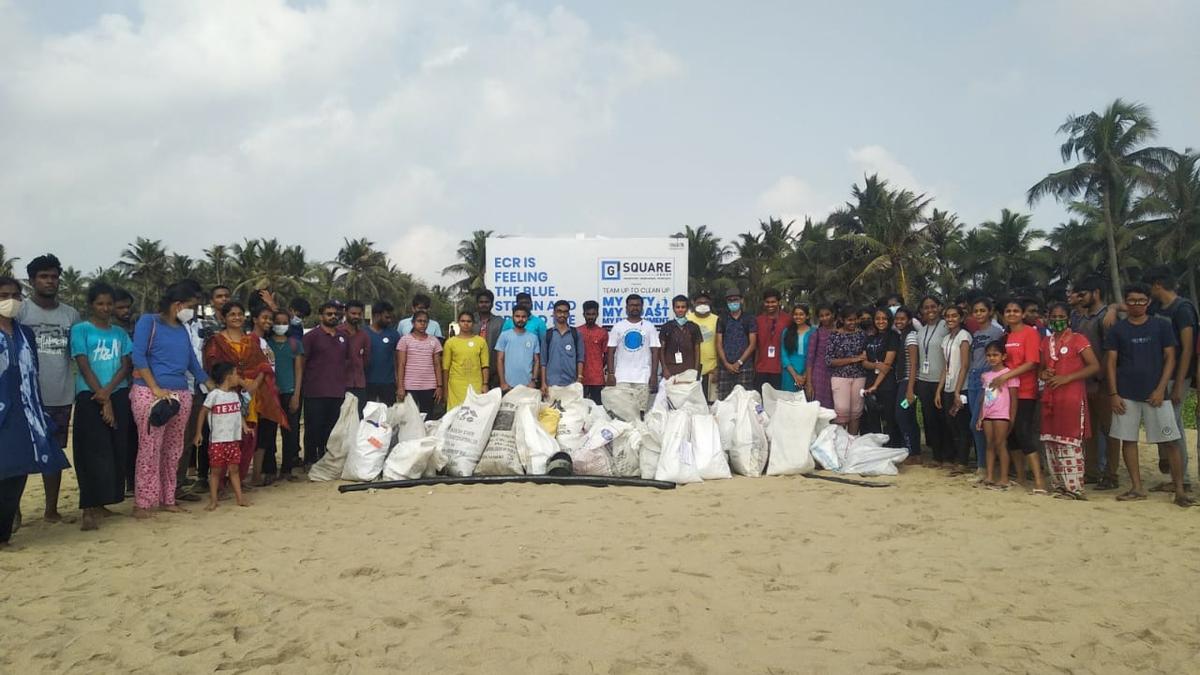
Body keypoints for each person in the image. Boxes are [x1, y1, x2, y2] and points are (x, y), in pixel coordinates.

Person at [130, 282, 215, 519]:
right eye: (191, 306)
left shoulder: (182, 329)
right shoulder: (149, 322)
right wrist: (155, 388)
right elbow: (138, 355)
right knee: (150, 448)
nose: (193, 310)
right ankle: (144, 502)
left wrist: (212, 386)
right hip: (150, 393)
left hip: (180, 393)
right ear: (178, 304)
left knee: (174, 449)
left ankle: (168, 498)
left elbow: (192, 363)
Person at [1104, 284, 1191, 506]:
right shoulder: (1117, 330)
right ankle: (1137, 487)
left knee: (1171, 441)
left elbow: (1170, 357)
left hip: (1156, 394)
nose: (1136, 305)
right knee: (1128, 440)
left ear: (1148, 302)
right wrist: (1113, 393)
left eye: (1141, 301)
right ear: (1126, 302)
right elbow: (1111, 362)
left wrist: (1162, 388)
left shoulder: (1161, 326)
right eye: (1131, 301)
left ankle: (1179, 489)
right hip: (1125, 394)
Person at [0, 276, 71, 546]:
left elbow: (33, 373)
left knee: (18, 472)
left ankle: (4, 534)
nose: (11, 301)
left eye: (16, 295)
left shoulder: (24, 333)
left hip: (25, 412)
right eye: (4, 295)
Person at [15, 254, 78, 523]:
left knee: (54, 453)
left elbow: (76, 356)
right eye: (43, 276)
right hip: (24, 397)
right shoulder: (20, 311)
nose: (49, 281)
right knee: (17, 454)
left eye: (54, 276)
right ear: (31, 281)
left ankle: (51, 510)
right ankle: (12, 512)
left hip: (60, 395)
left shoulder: (70, 314)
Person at [70, 283, 134, 531]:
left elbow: (126, 365)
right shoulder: (81, 330)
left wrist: (108, 393)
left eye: (109, 304)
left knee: (114, 450)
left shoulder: (119, 333)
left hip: (117, 394)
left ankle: (102, 501)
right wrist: (101, 396)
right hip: (89, 395)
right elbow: (83, 364)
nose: (105, 308)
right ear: (91, 305)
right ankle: (88, 507)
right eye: (100, 303)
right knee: (90, 451)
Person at [203, 302, 288, 487]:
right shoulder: (217, 341)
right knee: (225, 438)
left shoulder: (251, 341)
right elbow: (213, 367)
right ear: (224, 318)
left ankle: (238, 480)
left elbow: (263, 366)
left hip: (250, 398)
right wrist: (239, 382)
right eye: (232, 314)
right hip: (225, 397)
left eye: (240, 314)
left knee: (247, 438)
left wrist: (254, 385)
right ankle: (221, 483)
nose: (237, 317)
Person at [1039, 302, 1100, 500]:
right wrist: (1045, 373)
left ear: (1068, 318)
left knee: (1070, 442)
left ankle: (1074, 488)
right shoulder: (1045, 342)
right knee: (1051, 442)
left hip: (1071, 397)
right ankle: (1059, 485)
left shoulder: (1078, 339)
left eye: (1061, 317)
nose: (1057, 320)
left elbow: (1093, 366)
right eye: (1054, 317)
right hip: (1051, 397)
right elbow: (1040, 370)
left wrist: (1068, 378)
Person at [1147, 266, 1197, 492]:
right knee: (1164, 424)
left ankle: (1183, 478)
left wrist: (1178, 383)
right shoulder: (1158, 306)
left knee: (1173, 425)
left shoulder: (1182, 309)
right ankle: (1177, 474)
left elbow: (1187, 349)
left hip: (1178, 375)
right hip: (1160, 374)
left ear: (1157, 284)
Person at [990, 298, 1047, 493]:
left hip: (1025, 390)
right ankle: (1021, 478)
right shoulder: (1005, 336)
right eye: (1008, 311)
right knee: (1012, 434)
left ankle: (1039, 481)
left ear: (1023, 314)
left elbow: (1032, 362)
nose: (1012, 314)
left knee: (1024, 433)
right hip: (1006, 391)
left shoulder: (1030, 334)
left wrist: (1006, 376)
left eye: (1016, 311)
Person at [1071, 277, 1116, 489]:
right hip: (1084, 381)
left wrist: (1101, 378)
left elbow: (1110, 351)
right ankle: (1091, 471)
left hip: (1103, 382)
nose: (1079, 298)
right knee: (1089, 430)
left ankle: (1111, 475)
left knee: (1110, 430)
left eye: (1082, 294)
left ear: (1095, 292)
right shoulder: (1081, 318)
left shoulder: (1106, 317)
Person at [194, 362, 251, 511]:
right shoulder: (214, 395)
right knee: (216, 471)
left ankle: (239, 498)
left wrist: (244, 427)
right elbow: (203, 412)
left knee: (234, 469)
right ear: (228, 377)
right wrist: (199, 432)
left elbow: (238, 414)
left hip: (233, 439)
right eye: (235, 374)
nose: (238, 377)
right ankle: (213, 500)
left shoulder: (234, 396)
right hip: (218, 440)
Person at [301, 302, 349, 466]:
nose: (333, 316)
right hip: (315, 391)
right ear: (321, 316)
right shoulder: (311, 337)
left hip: (336, 391)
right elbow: (302, 363)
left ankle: (326, 459)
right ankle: (309, 460)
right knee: (313, 428)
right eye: (329, 314)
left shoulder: (343, 337)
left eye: (335, 314)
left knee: (332, 429)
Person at [259, 310, 304, 481]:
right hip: (270, 394)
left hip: (289, 392)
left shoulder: (295, 344)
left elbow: (299, 370)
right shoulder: (266, 344)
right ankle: (269, 470)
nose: (281, 325)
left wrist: (297, 395)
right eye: (277, 322)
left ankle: (287, 469)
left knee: (290, 433)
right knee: (269, 433)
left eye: (285, 322)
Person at [967, 298, 1004, 476]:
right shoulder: (974, 334)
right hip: (973, 377)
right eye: (976, 311)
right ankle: (983, 465)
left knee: (977, 423)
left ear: (990, 311)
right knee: (978, 424)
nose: (979, 314)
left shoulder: (997, 332)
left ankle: (984, 466)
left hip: (988, 380)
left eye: (982, 310)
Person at [934, 305, 973, 475]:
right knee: (951, 424)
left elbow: (964, 365)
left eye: (954, 316)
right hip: (948, 386)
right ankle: (958, 457)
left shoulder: (964, 337)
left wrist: (958, 391)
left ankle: (963, 462)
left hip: (961, 387)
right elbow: (946, 366)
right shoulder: (946, 339)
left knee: (962, 424)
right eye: (948, 316)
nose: (950, 319)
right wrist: (939, 390)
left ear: (961, 318)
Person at [606, 294, 661, 413]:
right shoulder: (618, 327)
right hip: (622, 377)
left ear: (642, 307)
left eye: (637, 305)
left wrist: (654, 375)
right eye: (631, 305)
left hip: (643, 377)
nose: (634, 308)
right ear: (626, 307)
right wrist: (611, 374)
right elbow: (610, 351)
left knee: (640, 412)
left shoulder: (649, 326)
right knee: (622, 411)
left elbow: (655, 351)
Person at [977, 341, 1019, 489]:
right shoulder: (986, 376)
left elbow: (1014, 398)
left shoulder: (1009, 374)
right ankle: (989, 475)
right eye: (989, 355)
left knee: (1001, 444)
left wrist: (1012, 417)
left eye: (995, 355)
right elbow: (984, 396)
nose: (992, 358)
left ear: (1003, 356)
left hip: (1002, 414)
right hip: (988, 413)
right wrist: (980, 416)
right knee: (989, 444)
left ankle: (1004, 477)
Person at [914, 296, 949, 466]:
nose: (930, 310)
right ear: (921, 311)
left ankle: (949, 455)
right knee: (930, 419)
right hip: (924, 380)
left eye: (933, 306)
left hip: (941, 380)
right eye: (926, 307)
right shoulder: (921, 331)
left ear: (940, 307)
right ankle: (936, 456)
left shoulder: (946, 326)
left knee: (944, 418)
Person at [113, 286, 139, 495]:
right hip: (116, 388)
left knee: (134, 438)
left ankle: (132, 481)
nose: (125, 311)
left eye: (127, 307)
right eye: (121, 307)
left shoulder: (137, 327)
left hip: (136, 389)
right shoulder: (111, 330)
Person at [827, 305, 867, 435]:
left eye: (855, 319)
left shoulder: (862, 335)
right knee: (842, 410)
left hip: (859, 376)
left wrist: (862, 358)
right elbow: (829, 360)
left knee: (856, 411)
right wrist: (853, 359)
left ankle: (852, 442)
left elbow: (866, 355)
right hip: (840, 376)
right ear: (842, 320)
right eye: (849, 320)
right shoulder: (835, 335)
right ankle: (840, 442)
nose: (853, 322)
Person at [396, 310, 445, 416]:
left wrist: (439, 386)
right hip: (410, 386)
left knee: (428, 416)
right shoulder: (405, 340)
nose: (422, 324)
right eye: (419, 321)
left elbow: (437, 364)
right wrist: (400, 386)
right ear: (413, 323)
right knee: (410, 417)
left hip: (429, 386)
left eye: (425, 321)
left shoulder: (434, 341)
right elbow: (401, 364)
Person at [862, 307, 899, 446]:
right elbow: (864, 362)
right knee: (873, 419)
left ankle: (891, 448)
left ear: (889, 320)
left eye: (884, 318)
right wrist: (877, 365)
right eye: (878, 318)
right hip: (870, 382)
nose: (881, 321)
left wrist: (875, 385)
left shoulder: (893, 336)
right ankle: (876, 448)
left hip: (887, 384)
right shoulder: (870, 337)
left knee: (888, 419)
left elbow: (888, 364)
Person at [443, 311, 490, 410]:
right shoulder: (450, 343)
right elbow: (446, 368)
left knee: (474, 415)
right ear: (458, 323)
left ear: (473, 323)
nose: (466, 323)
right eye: (463, 321)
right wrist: (445, 390)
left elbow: (485, 365)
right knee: (455, 415)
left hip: (475, 384)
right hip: (456, 386)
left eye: (469, 321)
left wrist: (485, 384)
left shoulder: (481, 341)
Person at [715, 288, 756, 400]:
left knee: (744, 400)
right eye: (730, 300)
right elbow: (718, 343)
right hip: (725, 366)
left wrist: (739, 362)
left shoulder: (749, 318)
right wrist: (726, 363)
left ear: (741, 300)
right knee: (724, 400)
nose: (733, 302)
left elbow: (752, 344)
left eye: (735, 300)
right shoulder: (722, 319)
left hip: (744, 366)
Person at [894, 307, 921, 462]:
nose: (899, 322)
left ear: (910, 320)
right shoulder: (902, 336)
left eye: (902, 319)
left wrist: (910, 389)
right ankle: (914, 451)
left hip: (909, 382)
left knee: (902, 415)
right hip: (903, 381)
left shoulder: (910, 337)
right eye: (897, 319)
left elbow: (913, 364)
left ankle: (913, 452)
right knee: (908, 416)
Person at [541, 300, 584, 393]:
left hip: (571, 383)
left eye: (565, 312)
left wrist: (579, 378)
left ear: (568, 314)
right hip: (551, 383)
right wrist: (543, 383)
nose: (562, 315)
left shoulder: (575, 333)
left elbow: (580, 359)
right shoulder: (548, 334)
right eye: (559, 311)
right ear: (554, 313)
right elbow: (543, 362)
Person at [496, 306, 541, 392]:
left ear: (527, 318)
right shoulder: (504, 335)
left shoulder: (533, 337)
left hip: (528, 386)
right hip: (508, 385)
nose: (520, 319)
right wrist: (502, 383)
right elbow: (500, 359)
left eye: (523, 317)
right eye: (517, 316)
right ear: (512, 317)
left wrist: (533, 381)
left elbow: (537, 361)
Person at [365, 301, 400, 406]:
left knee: (388, 417)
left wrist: (398, 381)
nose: (389, 320)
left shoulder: (393, 334)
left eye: (390, 317)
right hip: (367, 382)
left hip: (388, 383)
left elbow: (397, 359)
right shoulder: (363, 333)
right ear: (376, 315)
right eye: (387, 317)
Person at [658, 295, 701, 379]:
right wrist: (664, 369)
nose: (680, 309)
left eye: (683, 307)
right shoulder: (666, 327)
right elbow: (661, 350)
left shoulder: (694, 327)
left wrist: (695, 370)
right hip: (671, 370)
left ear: (687, 308)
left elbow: (697, 350)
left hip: (689, 370)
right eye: (677, 307)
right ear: (673, 308)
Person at [686, 292, 719, 401]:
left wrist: (718, 368)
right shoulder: (687, 319)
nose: (702, 305)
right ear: (693, 303)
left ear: (710, 303)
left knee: (710, 403)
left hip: (711, 370)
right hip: (690, 369)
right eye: (699, 302)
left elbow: (721, 345)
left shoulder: (717, 320)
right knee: (692, 404)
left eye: (705, 302)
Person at [338, 300, 371, 407]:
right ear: (345, 313)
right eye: (353, 313)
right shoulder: (337, 332)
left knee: (359, 418)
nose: (356, 316)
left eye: (359, 314)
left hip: (359, 384)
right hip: (339, 384)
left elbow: (366, 359)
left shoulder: (364, 335)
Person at [754, 289, 787, 391]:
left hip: (780, 368)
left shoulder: (788, 319)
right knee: (759, 401)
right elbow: (755, 346)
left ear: (779, 302)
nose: (770, 305)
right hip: (761, 368)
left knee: (776, 401)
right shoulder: (758, 320)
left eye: (773, 302)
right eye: (767, 302)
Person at [578, 300, 609, 405]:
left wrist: (598, 365)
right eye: (588, 314)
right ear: (583, 314)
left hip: (597, 378)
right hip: (579, 377)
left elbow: (606, 355)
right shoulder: (577, 331)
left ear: (597, 314)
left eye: (593, 314)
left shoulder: (602, 333)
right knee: (580, 406)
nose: (590, 317)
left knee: (597, 407)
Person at [473, 289, 505, 389]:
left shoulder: (500, 322)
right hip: (473, 367)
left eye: (487, 302)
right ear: (477, 304)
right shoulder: (470, 321)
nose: (484, 305)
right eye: (481, 302)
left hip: (494, 369)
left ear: (492, 304)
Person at [807, 304, 835, 408]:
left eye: (827, 314)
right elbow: (810, 359)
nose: (825, 318)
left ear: (833, 314)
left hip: (837, 374)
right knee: (819, 407)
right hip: (819, 375)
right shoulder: (816, 334)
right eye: (821, 316)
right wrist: (809, 383)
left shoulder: (840, 332)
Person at [779, 305, 812, 394]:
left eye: (801, 314)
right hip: (789, 372)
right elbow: (783, 354)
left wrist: (804, 376)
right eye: (795, 314)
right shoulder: (787, 331)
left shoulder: (814, 332)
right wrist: (795, 375)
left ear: (807, 316)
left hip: (808, 372)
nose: (798, 317)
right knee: (789, 402)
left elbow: (814, 355)